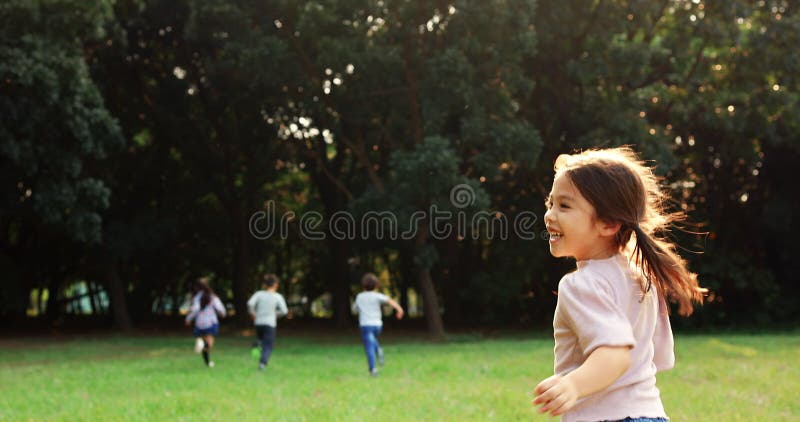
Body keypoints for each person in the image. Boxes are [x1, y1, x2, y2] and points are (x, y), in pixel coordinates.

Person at [532, 147, 706, 421]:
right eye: (550, 203)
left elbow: (616, 355)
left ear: (608, 223)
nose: (549, 215)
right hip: (652, 414)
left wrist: (573, 384)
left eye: (564, 206)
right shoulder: (641, 276)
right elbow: (659, 355)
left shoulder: (581, 284)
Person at [352, 273, 404, 377]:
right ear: (376, 286)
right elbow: (390, 301)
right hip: (377, 325)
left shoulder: (359, 297)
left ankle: (373, 369)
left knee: (369, 347)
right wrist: (400, 310)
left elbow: (354, 309)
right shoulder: (377, 296)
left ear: (363, 285)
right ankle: (378, 349)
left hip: (366, 325)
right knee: (372, 340)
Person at [247, 273, 289, 371]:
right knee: (268, 345)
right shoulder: (277, 296)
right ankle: (262, 364)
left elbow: (250, 304)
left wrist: (253, 314)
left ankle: (258, 343)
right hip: (270, 323)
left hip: (258, 322)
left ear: (265, 285)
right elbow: (285, 311)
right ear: (276, 285)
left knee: (262, 341)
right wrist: (276, 314)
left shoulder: (259, 294)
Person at [185, 277, 226, 368]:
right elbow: (220, 308)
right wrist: (223, 313)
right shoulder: (212, 296)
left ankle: (208, 363)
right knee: (209, 344)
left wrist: (188, 318)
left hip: (199, 323)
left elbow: (195, 309)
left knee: (204, 344)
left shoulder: (197, 297)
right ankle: (204, 349)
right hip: (211, 322)